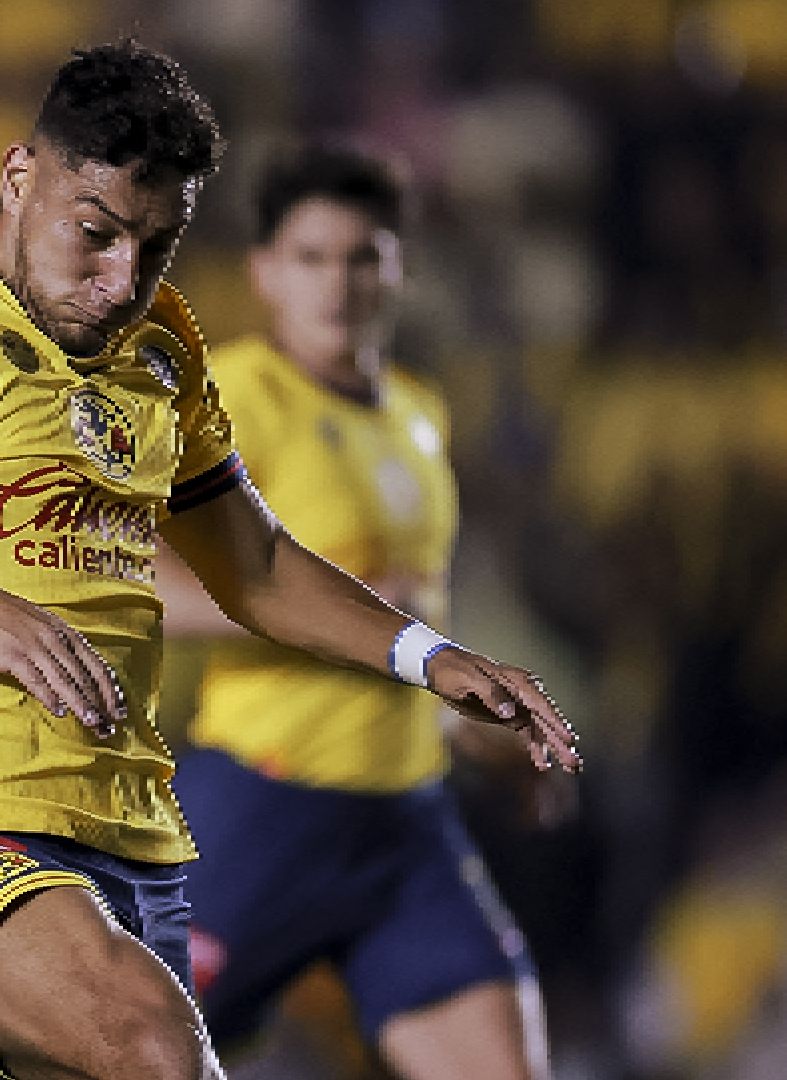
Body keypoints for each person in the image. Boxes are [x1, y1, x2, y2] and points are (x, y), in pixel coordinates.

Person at [0, 42, 580, 1080]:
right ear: (18, 177)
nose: (123, 279)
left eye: (157, 246)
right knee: (154, 1047)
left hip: (138, 842)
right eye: (96, 234)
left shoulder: (163, 344)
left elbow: (254, 565)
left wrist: (427, 656)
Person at [153, 143, 565, 1080]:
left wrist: (479, 739)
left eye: (362, 257)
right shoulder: (228, 399)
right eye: (310, 258)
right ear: (265, 273)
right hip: (261, 811)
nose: (336, 283)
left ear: (398, 270)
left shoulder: (420, 414)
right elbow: (129, 575)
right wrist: (304, 602)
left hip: (404, 826)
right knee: (123, 1057)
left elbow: (409, 636)